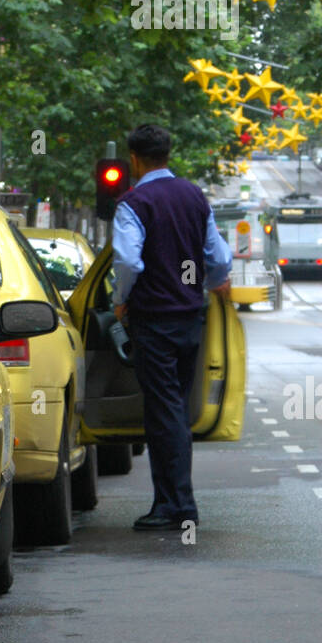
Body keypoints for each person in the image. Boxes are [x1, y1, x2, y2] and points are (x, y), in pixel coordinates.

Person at [112, 124, 233, 531]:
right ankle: (168, 499)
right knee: (172, 409)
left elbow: (128, 262)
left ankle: (180, 506)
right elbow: (216, 254)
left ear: (134, 159)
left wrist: (120, 299)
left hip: (153, 320)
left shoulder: (135, 202)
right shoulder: (194, 196)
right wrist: (215, 282)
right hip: (189, 318)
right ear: (168, 153)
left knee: (165, 412)